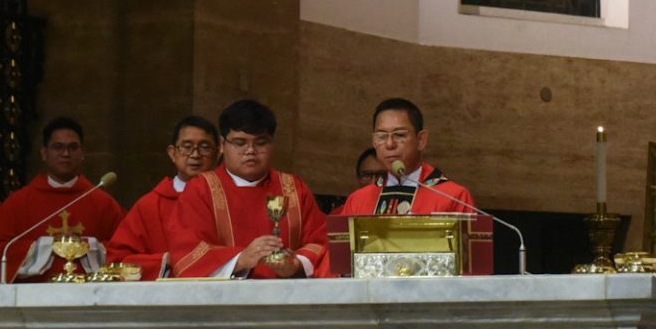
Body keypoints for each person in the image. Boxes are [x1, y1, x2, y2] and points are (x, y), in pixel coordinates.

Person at [166, 99, 330, 278]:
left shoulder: (293, 189)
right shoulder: (201, 189)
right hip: (224, 301)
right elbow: (186, 249)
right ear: (222, 145)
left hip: (286, 299)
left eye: (260, 142)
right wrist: (240, 259)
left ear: (272, 143)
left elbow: (321, 242)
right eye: (240, 142)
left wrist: (297, 263)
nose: (250, 150)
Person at [0, 117, 126, 282]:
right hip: (34, 296)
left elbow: (125, 250)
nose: (66, 154)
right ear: (44, 153)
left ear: (82, 154)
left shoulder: (104, 204)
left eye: (72, 147)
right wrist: (47, 245)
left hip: (90, 296)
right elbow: (0, 249)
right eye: (58, 147)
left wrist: (89, 245)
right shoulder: (18, 204)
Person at [107, 116, 218, 278]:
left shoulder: (226, 200)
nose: (195, 155)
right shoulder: (149, 206)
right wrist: (164, 261)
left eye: (205, 147)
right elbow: (117, 261)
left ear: (217, 153)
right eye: (187, 147)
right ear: (172, 153)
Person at [335, 99, 476, 217]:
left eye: (400, 135)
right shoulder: (359, 199)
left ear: (421, 140)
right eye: (382, 136)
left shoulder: (453, 197)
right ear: (374, 142)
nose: (390, 144)